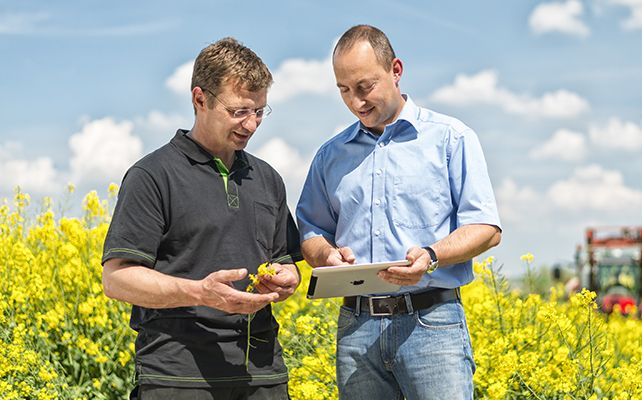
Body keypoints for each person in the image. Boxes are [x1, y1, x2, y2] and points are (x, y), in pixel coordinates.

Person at [296, 25, 502, 399]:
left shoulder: (451, 138)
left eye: (365, 87)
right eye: (344, 90)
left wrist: (432, 255)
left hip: (432, 324)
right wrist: (326, 255)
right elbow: (310, 230)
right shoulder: (329, 156)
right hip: (356, 327)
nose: (356, 101)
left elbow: (486, 227)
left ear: (396, 70)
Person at [102, 37, 302, 400]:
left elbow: (284, 260)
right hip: (178, 379)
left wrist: (288, 278)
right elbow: (117, 279)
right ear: (199, 99)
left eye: (260, 110)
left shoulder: (268, 178)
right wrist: (200, 293)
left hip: (263, 378)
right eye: (239, 111)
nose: (252, 124)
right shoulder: (152, 175)